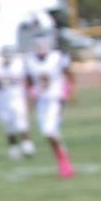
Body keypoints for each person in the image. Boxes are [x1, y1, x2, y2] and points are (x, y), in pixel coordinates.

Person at [25, 32, 75, 179]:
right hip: (42, 101)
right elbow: (29, 81)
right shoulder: (29, 61)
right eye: (37, 45)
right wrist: (31, 92)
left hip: (55, 99)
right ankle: (64, 161)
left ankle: (63, 161)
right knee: (49, 133)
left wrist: (68, 91)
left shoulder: (57, 57)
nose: (40, 48)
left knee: (49, 131)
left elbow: (69, 75)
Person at [0, 44, 33, 159]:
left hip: (17, 97)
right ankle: (13, 148)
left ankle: (27, 145)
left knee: (21, 121)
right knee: (7, 124)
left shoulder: (20, 64)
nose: (8, 57)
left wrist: (30, 95)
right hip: (3, 98)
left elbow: (29, 80)